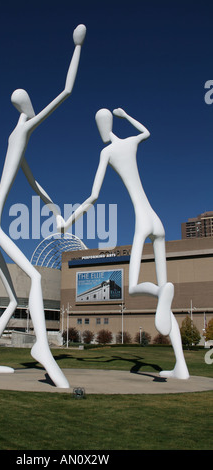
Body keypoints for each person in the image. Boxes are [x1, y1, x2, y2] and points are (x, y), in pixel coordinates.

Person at [0, 25, 87, 389]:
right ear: (25, 107)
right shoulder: (23, 130)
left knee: (12, 300)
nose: (32, 108)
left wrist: (52, 207)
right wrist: (78, 48)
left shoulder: (14, 139)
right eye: (29, 104)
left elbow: (30, 180)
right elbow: (66, 92)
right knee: (37, 278)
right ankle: (42, 348)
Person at [58, 107, 189, 379]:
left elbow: (93, 197)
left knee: (134, 286)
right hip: (158, 220)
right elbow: (147, 132)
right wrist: (125, 114)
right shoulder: (130, 142)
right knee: (165, 303)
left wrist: (68, 222)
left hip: (143, 222)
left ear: (101, 127)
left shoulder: (106, 153)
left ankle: (158, 292)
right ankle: (181, 367)